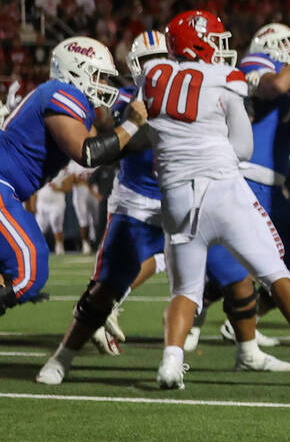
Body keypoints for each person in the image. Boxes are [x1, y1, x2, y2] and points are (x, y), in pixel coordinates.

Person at [140, 9, 290, 389]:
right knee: (277, 274)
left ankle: (171, 363)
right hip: (225, 189)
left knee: (184, 291)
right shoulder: (229, 75)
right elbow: (243, 146)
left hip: (176, 195)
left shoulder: (152, 76)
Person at [37, 32, 171, 383]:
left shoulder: (191, 93)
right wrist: (135, 122)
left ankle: (240, 346)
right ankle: (62, 356)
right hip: (138, 203)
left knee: (233, 270)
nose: (161, 65)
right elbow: (102, 143)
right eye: (153, 58)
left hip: (188, 202)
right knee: (106, 285)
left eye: (166, 56)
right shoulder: (126, 99)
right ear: (137, 66)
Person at [195, 23, 290, 362]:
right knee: (245, 263)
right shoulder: (255, 65)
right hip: (246, 177)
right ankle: (199, 304)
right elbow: (274, 86)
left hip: (276, 186)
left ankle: (244, 319)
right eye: (289, 45)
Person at [1, 36, 143, 316]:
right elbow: (88, 153)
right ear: (76, 70)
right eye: (98, 76)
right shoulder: (60, 93)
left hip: (8, 187)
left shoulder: (68, 100)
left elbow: (104, 154)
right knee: (29, 270)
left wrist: (146, 135)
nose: (103, 84)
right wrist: (134, 125)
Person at [34, 168, 71, 255]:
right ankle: (38, 247)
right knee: (39, 227)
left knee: (56, 225)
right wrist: (33, 202)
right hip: (42, 201)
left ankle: (59, 246)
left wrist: (58, 188)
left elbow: (70, 186)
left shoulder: (63, 170)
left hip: (56, 202)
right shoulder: (40, 168)